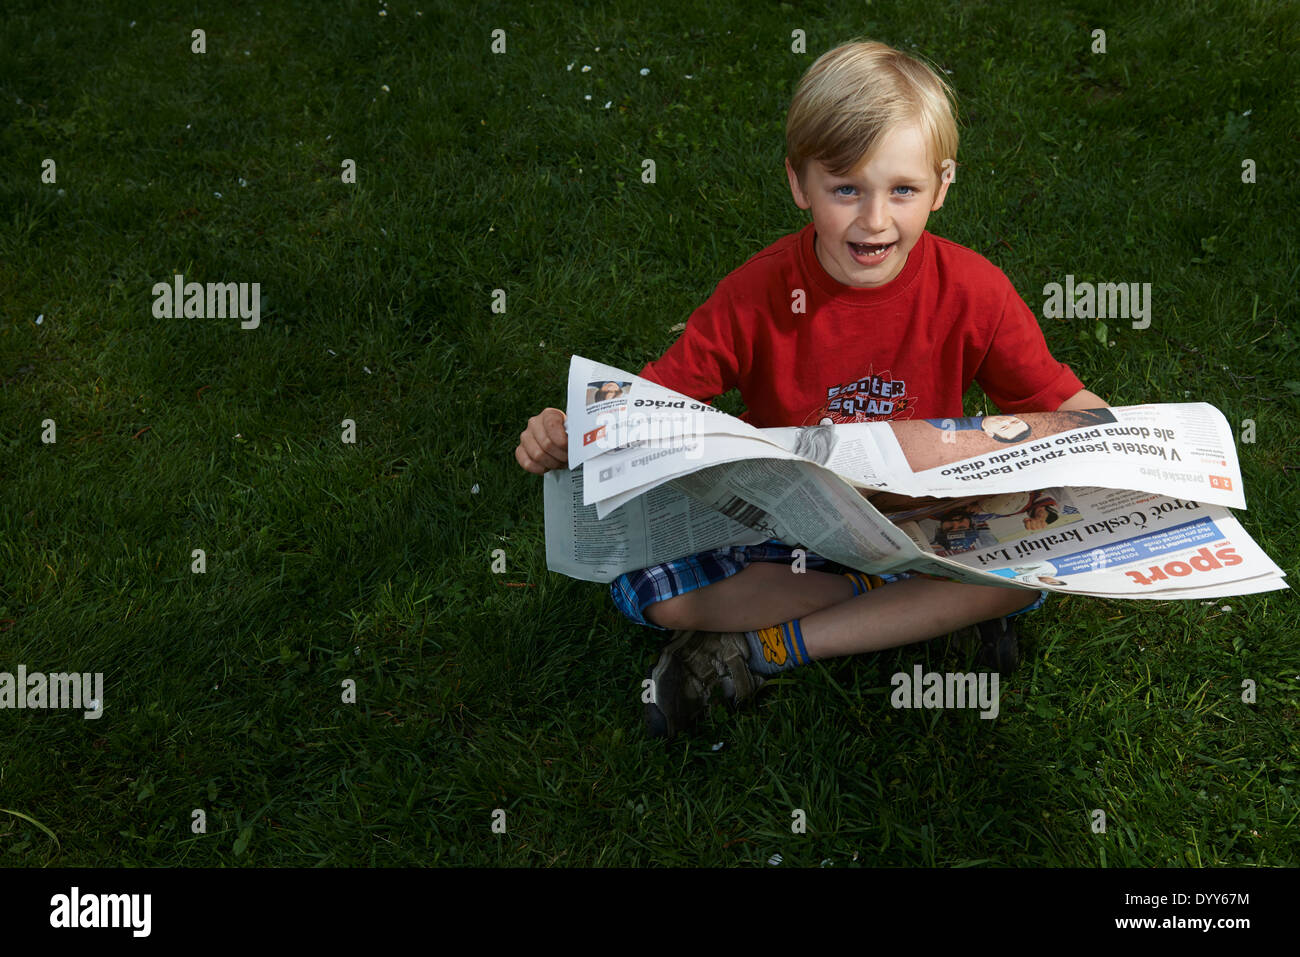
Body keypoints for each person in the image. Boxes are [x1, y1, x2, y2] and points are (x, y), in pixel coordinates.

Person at [515, 39, 1109, 738]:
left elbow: (1059, 402)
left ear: (943, 185)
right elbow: (652, 407)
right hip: (796, 533)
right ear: (800, 183)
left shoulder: (974, 290)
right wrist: (566, 428)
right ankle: (893, 606)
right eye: (847, 188)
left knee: (1034, 566)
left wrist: (1126, 442)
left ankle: (772, 647)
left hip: (927, 522)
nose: (875, 219)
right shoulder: (757, 294)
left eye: (904, 190)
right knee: (656, 595)